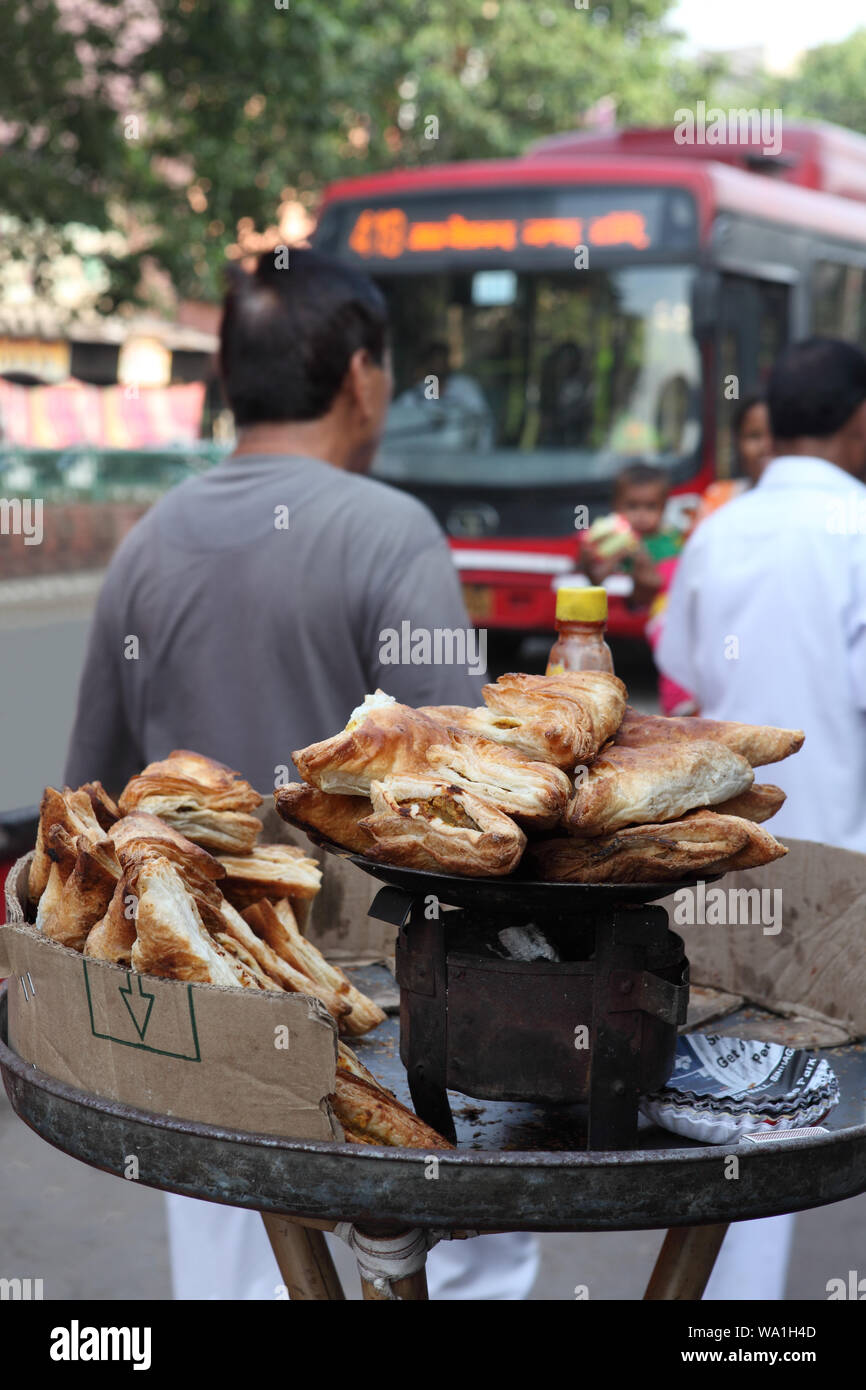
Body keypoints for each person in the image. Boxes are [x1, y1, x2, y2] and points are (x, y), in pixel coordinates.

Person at [63, 248, 538, 1301]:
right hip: (378, 1027)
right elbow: (467, 806)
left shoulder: (145, 546)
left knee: (234, 1260)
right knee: (449, 1267)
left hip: (198, 1028)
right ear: (363, 376)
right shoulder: (387, 532)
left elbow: (87, 810)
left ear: (228, 380)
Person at [658, 337, 866, 1299]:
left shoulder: (717, 531)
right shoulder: (861, 527)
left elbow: (694, 673)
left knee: (739, 1111)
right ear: (859, 421)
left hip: (722, 866)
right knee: (821, 1118)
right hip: (840, 883)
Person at [581, 462, 692, 713]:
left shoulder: (671, 539)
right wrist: (597, 559)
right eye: (632, 506)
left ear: (664, 508)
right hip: (645, 611)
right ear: (616, 508)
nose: (641, 515)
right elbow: (597, 577)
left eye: (650, 507)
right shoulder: (615, 540)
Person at [692, 393, 773, 526]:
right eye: (754, 436)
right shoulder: (718, 499)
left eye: (775, 436)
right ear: (737, 442)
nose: (765, 447)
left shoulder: (808, 502)